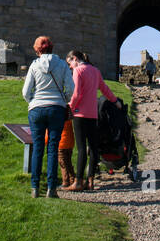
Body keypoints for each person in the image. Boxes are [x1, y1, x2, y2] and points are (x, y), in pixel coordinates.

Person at [21, 35, 73, 198]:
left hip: (36, 109)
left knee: (37, 148)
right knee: (53, 149)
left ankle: (35, 188)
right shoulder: (62, 64)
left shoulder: (34, 65)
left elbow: (25, 92)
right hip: (56, 109)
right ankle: (52, 188)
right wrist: (62, 100)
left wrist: (33, 102)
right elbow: (70, 88)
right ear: (52, 47)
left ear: (37, 50)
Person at [67, 49, 117, 191]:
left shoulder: (78, 71)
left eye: (70, 62)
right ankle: (90, 181)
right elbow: (105, 89)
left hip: (80, 114)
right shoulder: (95, 71)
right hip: (93, 114)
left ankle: (78, 182)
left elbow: (76, 94)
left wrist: (70, 107)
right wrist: (115, 101)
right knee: (94, 148)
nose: (70, 66)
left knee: (82, 148)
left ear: (75, 59)